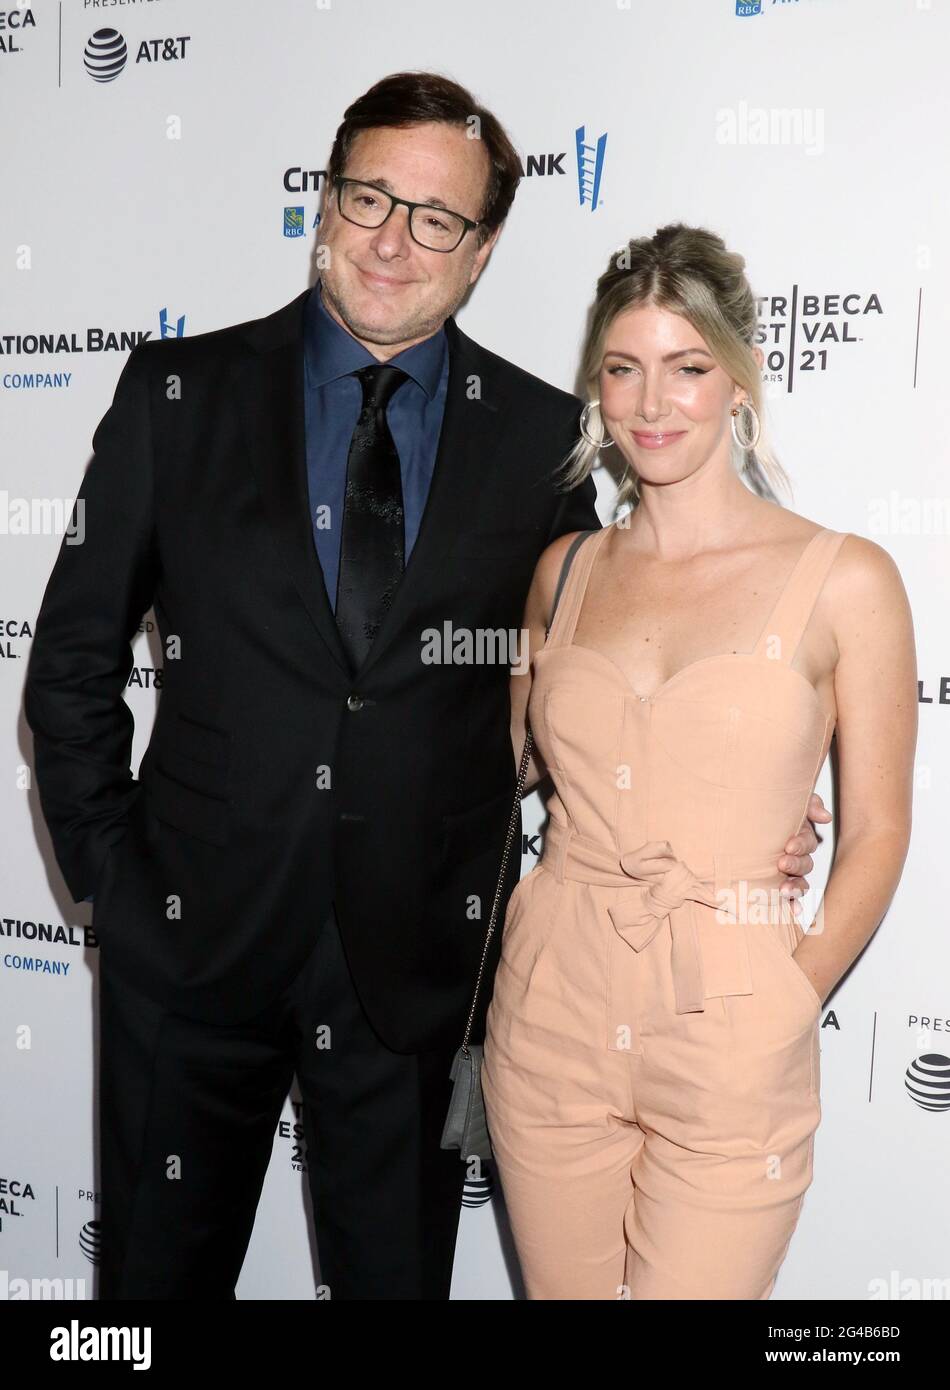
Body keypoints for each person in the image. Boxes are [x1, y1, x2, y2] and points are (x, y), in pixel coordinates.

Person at [23, 72, 825, 1301]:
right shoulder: (176, 395)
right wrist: (114, 894)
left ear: (484, 248)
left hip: (414, 981)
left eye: (437, 218)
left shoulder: (541, 437)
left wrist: (737, 813)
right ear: (324, 203)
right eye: (369, 199)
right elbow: (72, 664)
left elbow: (583, 681)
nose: (394, 241)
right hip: (187, 959)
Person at [481, 223, 916, 1300]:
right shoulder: (562, 570)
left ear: (737, 378)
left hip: (729, 1013)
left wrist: (785, 990)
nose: (649, 402)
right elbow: (511, 766)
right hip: (551, 1005)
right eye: (621, 369)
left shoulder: (845, 578)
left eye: (684, 367)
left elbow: (875, 830)